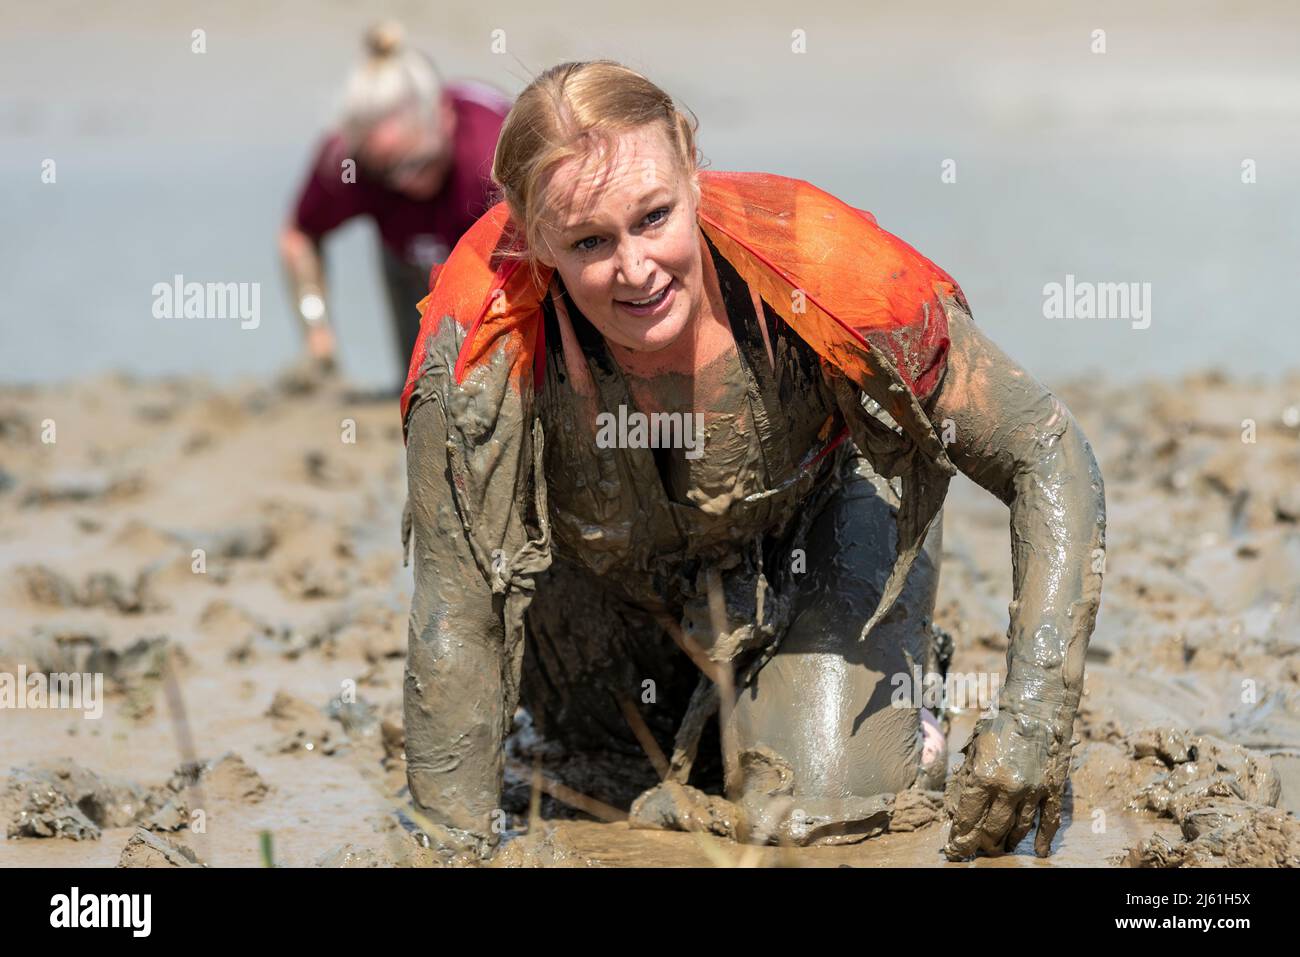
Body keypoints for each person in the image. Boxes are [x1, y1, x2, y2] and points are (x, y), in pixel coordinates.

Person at [399, 60, 1106, 863]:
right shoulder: (477, 351)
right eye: (589, 241)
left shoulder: (824, 268)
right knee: (589, 775)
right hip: (606, 583)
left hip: (820, 527)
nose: (636, 269)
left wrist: (1035, 719)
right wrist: (446, 847)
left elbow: (1046, 449)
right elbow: (454, 609)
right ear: (530, 235)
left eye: (654, 216)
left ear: (692, 171)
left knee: (822, 804)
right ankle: (713, 710)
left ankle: (884, 691)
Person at [279, 22, 510, 387]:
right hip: (408, 257)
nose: (404, 182)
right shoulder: (348, 167)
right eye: (386, 170)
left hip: (500, 252)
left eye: (417, 163)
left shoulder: (491, 157)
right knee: (419, 382)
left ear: (445, 119)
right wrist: (317, 334)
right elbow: (299, 237)